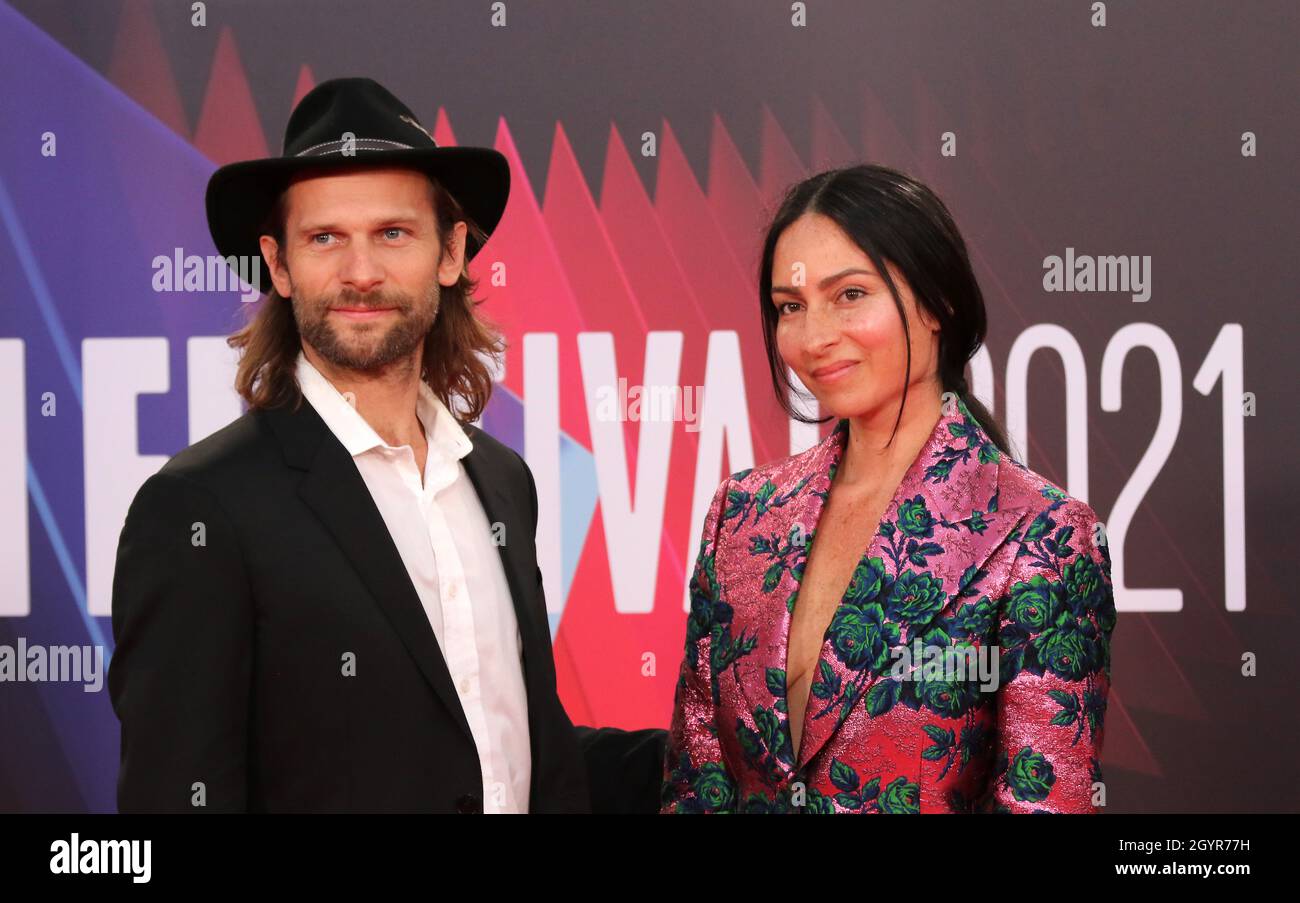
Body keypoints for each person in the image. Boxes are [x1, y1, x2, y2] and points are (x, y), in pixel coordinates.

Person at [109, 77, 663, 813]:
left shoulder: (501, 482)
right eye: (325, 237)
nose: (360, 272)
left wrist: (711, 752)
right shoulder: (200, 506)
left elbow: (505, 751)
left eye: (392, 233)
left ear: (452, 251)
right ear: (278, 266)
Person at [661, 164, 1117, 814]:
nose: (814, 337)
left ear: (938, 302)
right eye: (790, 307)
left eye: (849, 295)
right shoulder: (741, 516)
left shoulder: (1041, 537)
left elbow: (1047, 803)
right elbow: (695, 785)